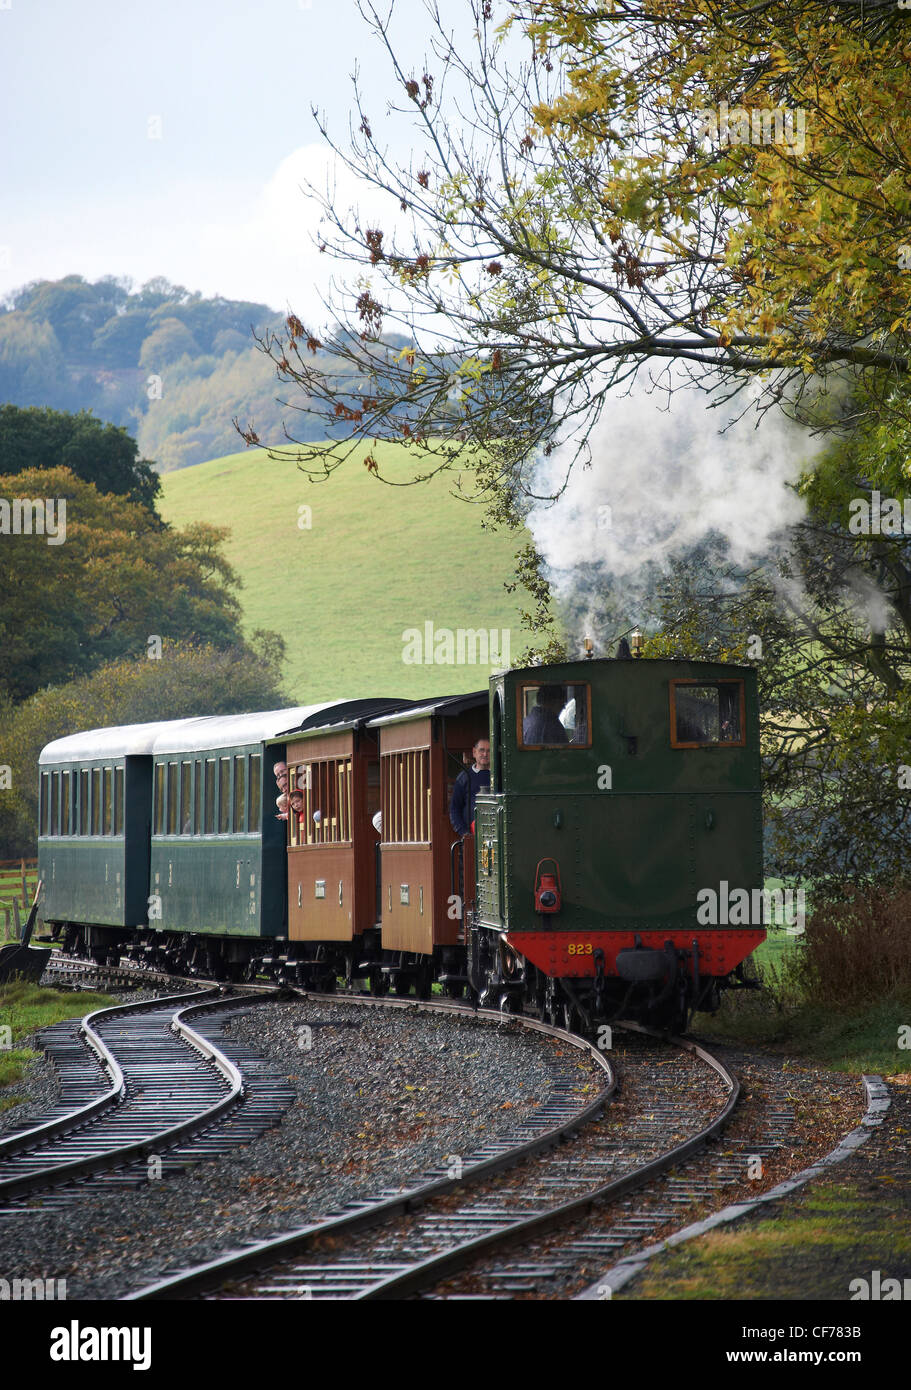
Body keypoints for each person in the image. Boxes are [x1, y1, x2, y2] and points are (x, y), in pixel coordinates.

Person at [449, 738, 490, 837]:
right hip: (471, 838)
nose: (485, 754)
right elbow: (455, 809)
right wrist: (464, 833)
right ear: (474, 752)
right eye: (481, 750)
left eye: (489, 751)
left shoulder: (500, 775)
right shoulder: (464, 777)